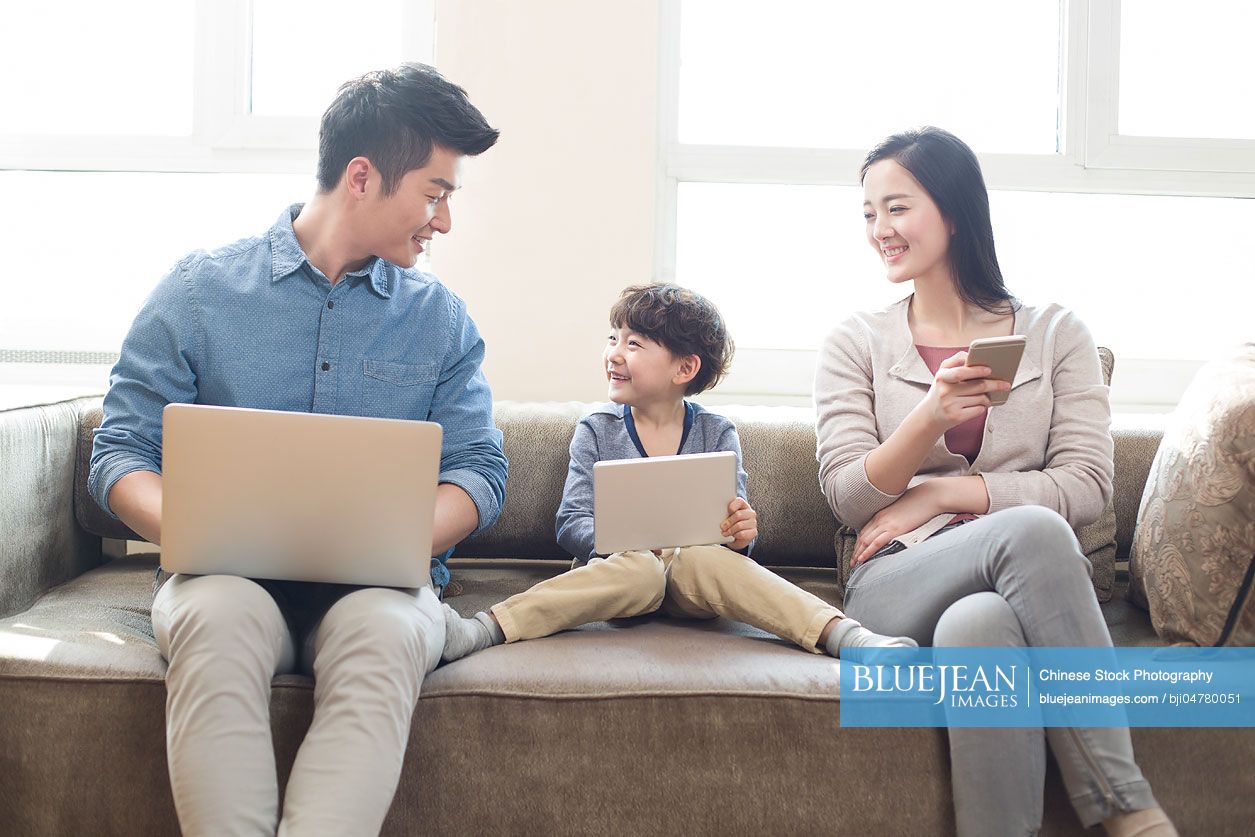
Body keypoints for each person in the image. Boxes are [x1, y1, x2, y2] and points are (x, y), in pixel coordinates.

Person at [88, 64, 508, 835]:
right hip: (227, 580)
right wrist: (192, 526)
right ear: (361, 176)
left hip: (378, 593)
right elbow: (119, 451)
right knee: (214, 617)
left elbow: (479, 472)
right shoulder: (200, 292)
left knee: (384, 632)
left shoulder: (440, 319)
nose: (442, 220)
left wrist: (388, 542)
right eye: (435, 192)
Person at [814, 126, 1176, 837]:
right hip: (895, 577)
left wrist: (943, 491)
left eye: (896, 208)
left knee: (978, 626)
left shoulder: (1054, 333)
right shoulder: (854, 341)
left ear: (952, 211)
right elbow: (847, 497)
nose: (878, 230)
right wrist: (926, 417)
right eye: (867, 213)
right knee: (1033, 529)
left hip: (1033, 583)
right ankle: (1129, 810)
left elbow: (1086, 484)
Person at [440, 283, 914, 662]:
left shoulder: (716, 431)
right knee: (640, 569)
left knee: (703, 561)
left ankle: (848, 638)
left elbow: (733, 534)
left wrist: (740, 534)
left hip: (696, 579)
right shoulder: (597, 429)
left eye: (635, 343)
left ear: (684, 367)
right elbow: (571, 522)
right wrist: (616, 540)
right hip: (625, 573)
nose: (614, 352)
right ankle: (485, 628)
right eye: (613, 338)